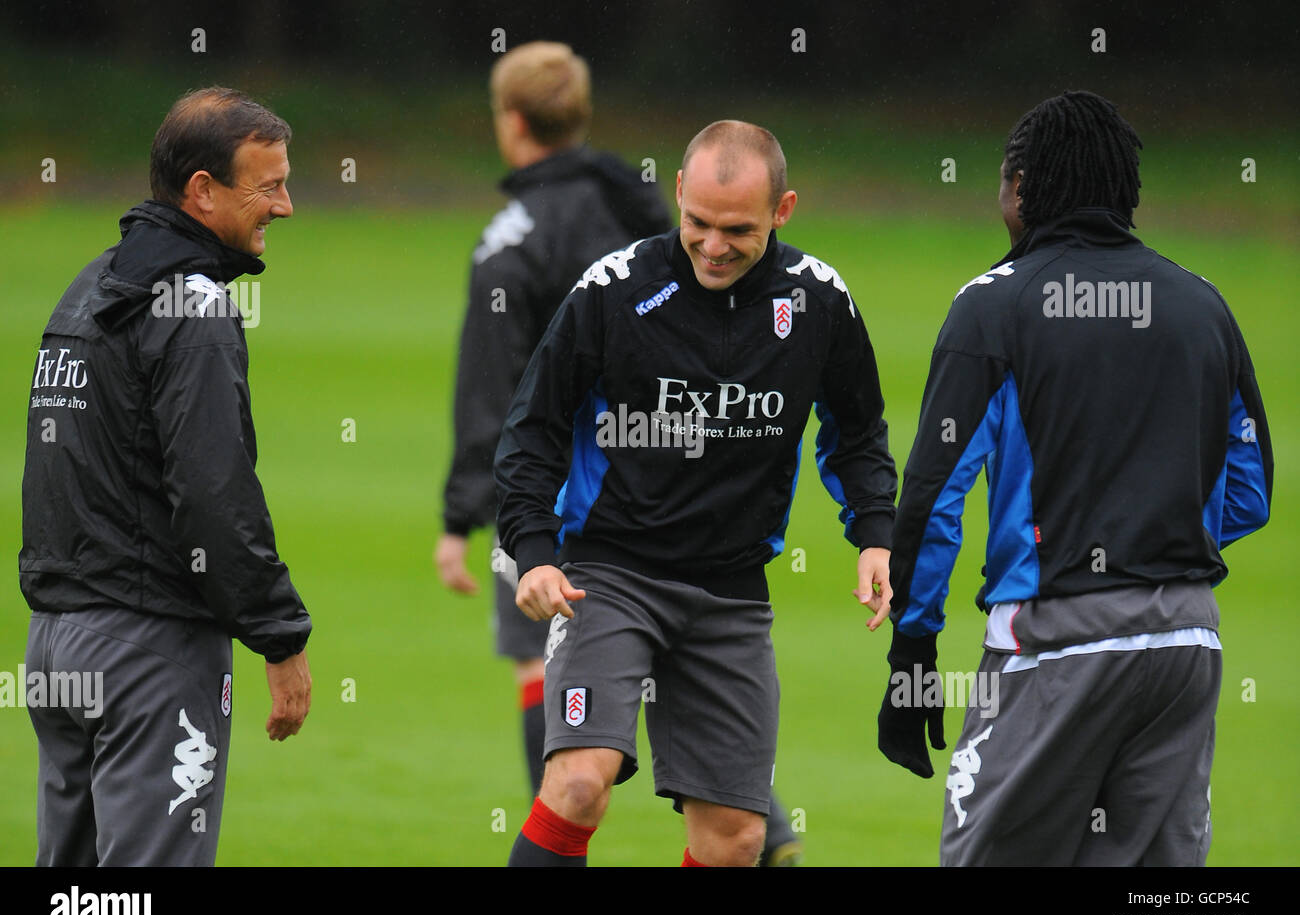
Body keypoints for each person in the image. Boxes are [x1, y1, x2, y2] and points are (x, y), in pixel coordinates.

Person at [877, 90, 1272, 865]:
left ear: (1021, 188)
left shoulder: (994, 304)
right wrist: (1146, 533)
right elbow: (1248, 490)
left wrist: (912, 655)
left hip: (1055, 642)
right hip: (1187, 643)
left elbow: (933, 495)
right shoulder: (1202, 304)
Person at [496, 119, 897, 866]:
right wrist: (535, 552)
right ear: (678, 192)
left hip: (731, 594)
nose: (713, 246)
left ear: (783, 211)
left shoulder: (818, 302)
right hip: (607, 579)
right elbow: (533, 429)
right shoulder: (614, 291)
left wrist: (875, 533)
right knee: (581, 783)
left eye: (737, 230)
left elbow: (859, 431)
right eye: (698, 223)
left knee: (737, 840)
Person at [20, 87, 312, 866]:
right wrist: (279, 634)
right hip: (146, 648)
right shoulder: (194, 305)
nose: (286, 206)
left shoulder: (88, 288)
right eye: (269, 185)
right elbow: (213, 494)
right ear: (202, 192)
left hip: (56, 645)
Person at [436, 40, 672, 799]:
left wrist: (460, 514)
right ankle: (761, 827)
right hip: (662, 470)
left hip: (555, 485)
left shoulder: (513, 239)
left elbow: (492, 389)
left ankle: (556, 835)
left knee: (545, 654)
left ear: (512, 121)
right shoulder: (641, 213)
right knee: (682, 656)